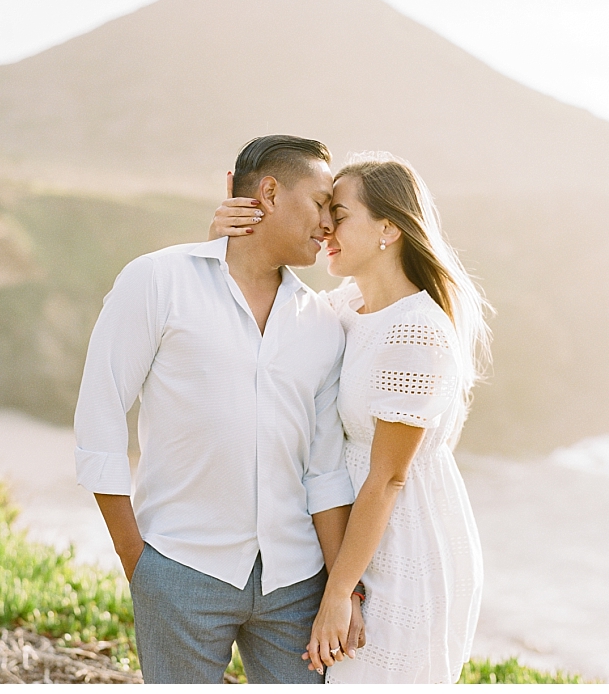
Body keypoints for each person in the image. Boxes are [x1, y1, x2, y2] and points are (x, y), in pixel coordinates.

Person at [74, 135, 363, 684]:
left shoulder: (323, 323)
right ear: (270, 193)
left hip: (297, 584)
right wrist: (141, 566)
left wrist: (341, 590)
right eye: (322, 202)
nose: (329, 224)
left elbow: (325, 469)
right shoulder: (158, 280)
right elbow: (99, 420)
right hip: (181, 570)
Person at [210, 151, 490, 683]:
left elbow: (388, 478)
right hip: (355, 544)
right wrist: (230, 235)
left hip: (407, 550)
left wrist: (340, 593)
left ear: (388, 227)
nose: (324, 227)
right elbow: (258, 322)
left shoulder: (417, 331)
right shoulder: (345, 307)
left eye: (338, 215)